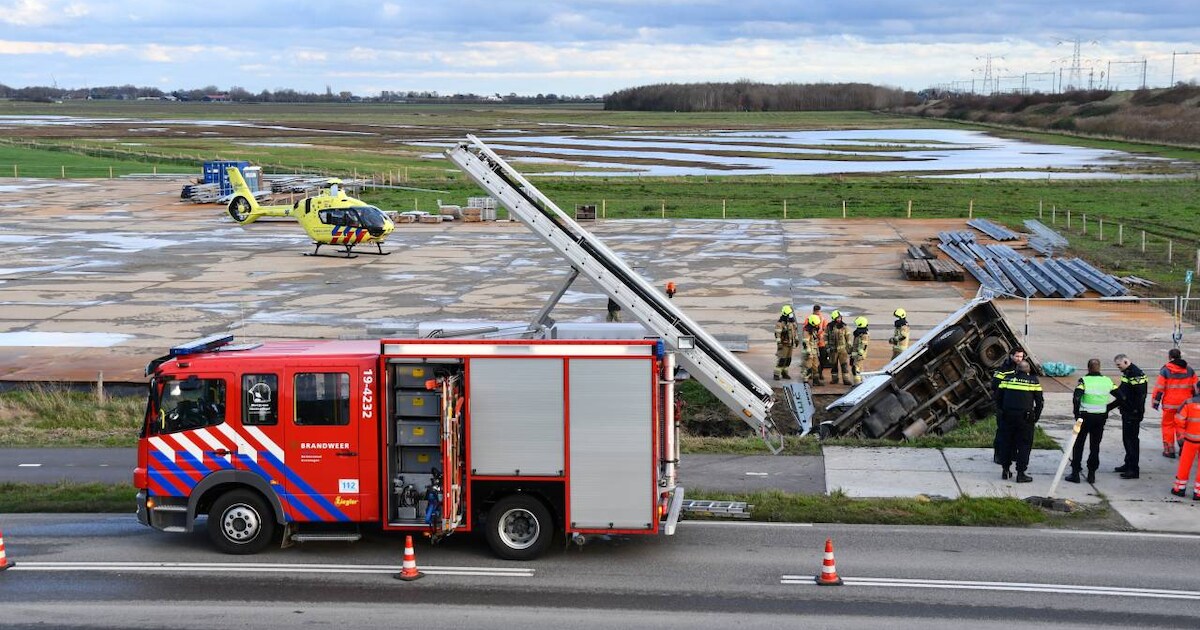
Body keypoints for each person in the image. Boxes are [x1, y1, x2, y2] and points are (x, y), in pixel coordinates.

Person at [1067, 358, 1117, 484]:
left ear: (1088, 368)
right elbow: (1122, 397)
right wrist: (1108, 408)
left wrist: (1076, 413)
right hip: (1100, 418)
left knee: (1079, 445)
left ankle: (1075, 473)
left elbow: (1077, 397)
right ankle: (1091, 474)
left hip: (1085, 417)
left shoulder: (1084, 380)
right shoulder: (1107, 381)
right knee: (1095, 446)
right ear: (1099, 368)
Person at [995, 360, 1044, 482]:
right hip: (1025, 419)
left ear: (1017, 369)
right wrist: (1035, 417)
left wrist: (1001, 413)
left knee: (1006, 443)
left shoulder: (1006, 379)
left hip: (1007, 416)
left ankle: (1005, 470)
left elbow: (998, 398)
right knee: (1024, 445)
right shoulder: (1033, 381)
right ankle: (1021, 473)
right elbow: (1039, 401)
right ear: (1027, 370)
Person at [1151, 348, 1198, 458]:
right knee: (1183, 425)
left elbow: (1159, 388)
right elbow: (1196, 387)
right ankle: (1184, 447)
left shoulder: (1165, 370)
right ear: (1180, 356)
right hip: (1186, 405)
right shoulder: (1189, 370)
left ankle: (1169, 450)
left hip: (1169, 405)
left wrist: (1155, 403)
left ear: (1169, 357)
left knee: (1168, 426)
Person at [1110, 354, 1149, 479]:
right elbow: (1122, 393)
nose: (1118, 368)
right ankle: (1128, 464)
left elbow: (1137, 396)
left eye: (1119, 365)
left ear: (1126, 361)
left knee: (1131, 441)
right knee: (1127, 440)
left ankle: (1133, 469)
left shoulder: (1135, 375)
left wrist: (1135, 411)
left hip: (1133, 413)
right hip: (1129, 412)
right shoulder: (1128, 373)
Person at [1170, 384, 1200, 500]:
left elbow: (1179, 420)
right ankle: (1198, 493)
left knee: (1185, 464)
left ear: (1198, 389)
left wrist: (1181, 437)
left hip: (1190, 440)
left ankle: (1179, 489)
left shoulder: (1188, 403)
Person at [826, 310, 852, 385]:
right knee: (834, 365)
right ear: (834, 318)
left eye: (840, 318)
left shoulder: (844, 327)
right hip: (832, 350)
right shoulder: (829, 327)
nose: (839, 319)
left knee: (844, 365)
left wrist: (849, 348)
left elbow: (848, 337)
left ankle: (846, 380)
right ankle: (834, 379)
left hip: (842, 350)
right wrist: (827, 347)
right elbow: (825, 337)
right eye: (838, 318)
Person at [773, 305, 799, 381]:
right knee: (782, 359)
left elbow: (795, 331)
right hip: (784, 344)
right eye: (789, 313)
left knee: (788, 359)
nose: (791, 315)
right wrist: (779, 343)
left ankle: (785, 373)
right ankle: (776, 374)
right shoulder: (780, 323)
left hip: (790, 344)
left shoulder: (792, 322)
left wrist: (796, 339)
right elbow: (777, 334)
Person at [802, 314, 823, 386]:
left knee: (815, 366)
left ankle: (816, 381)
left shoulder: (813, 330)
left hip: (814, 351)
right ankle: (805, 382)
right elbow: (805, 343)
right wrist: (809, 353)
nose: (818, 326)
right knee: (807, 367)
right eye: (817, 324)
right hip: (809, 352)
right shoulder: (807, 332)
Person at [812, 305, 830, 384]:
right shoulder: (809, 318)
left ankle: (820, 372)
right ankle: (814, 374)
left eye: (818, 311)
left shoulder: (823, 319)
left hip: (821, 343)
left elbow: (827, 329)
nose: (817, 312)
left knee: (822, 359)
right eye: (816, 311)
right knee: (813, 360)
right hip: (813, 344)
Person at [850, 316, 869, 385]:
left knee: (856, 369)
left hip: (859, 355)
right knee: (859, 368)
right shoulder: (859, 333)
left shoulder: (864, 335)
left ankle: (857, 383)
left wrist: (859, 354)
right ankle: (861, 382)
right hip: (856, 355)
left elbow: (863, 346)